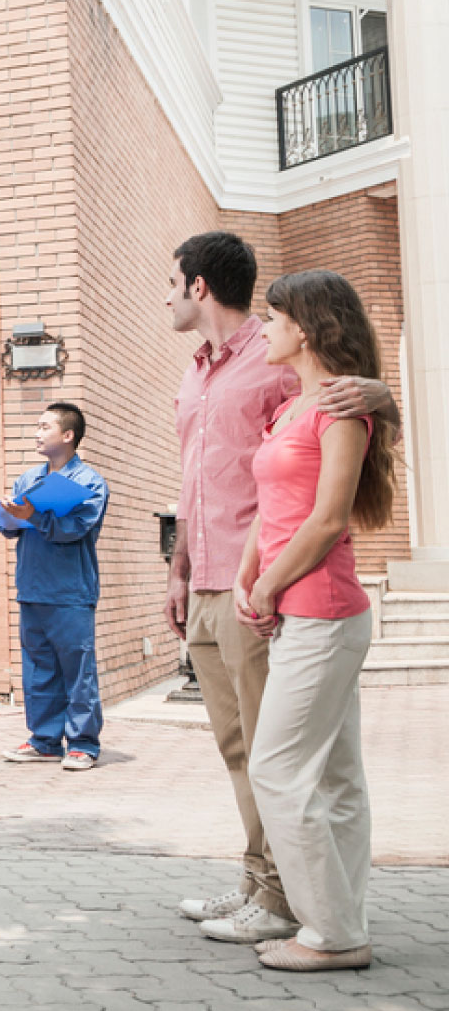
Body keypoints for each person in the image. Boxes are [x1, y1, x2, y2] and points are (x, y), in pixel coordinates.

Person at [165, 231, 396, 945]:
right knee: (242, 751)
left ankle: (285, 900)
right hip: (209, 580)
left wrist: (385, 396)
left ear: (199, 285)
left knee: (280, 760)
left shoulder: (274, 362)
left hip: (275, 587)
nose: (166, 295)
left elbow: (334, 434)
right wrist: (178, 568)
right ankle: (258, 884)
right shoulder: (196, 375)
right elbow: (198, 479)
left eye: (171, 282)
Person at [235, 271, 394, 973]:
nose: (263, 331)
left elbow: (329, 519)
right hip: (298, 609)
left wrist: (268, 583)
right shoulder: (289, 409)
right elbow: (275, 503)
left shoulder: (340, 409)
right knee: (334, 778)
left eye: (271, 320)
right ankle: (343, 922)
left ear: (303, 327)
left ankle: (329, 934)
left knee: (276, 769)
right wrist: (249, 569)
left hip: (324, 611)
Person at [0, 402, 109, 771]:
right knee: (38, 669)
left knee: (77, 670)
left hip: (70, 592)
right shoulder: (28, 480)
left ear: (68, 435)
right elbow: (10, 528)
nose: (36, 432)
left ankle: (83, 743)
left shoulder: (90, 483)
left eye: (44, 426)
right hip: (32, 588)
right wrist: (10, 518)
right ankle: (44, 740)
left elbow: (76, 529)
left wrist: (35, 516)